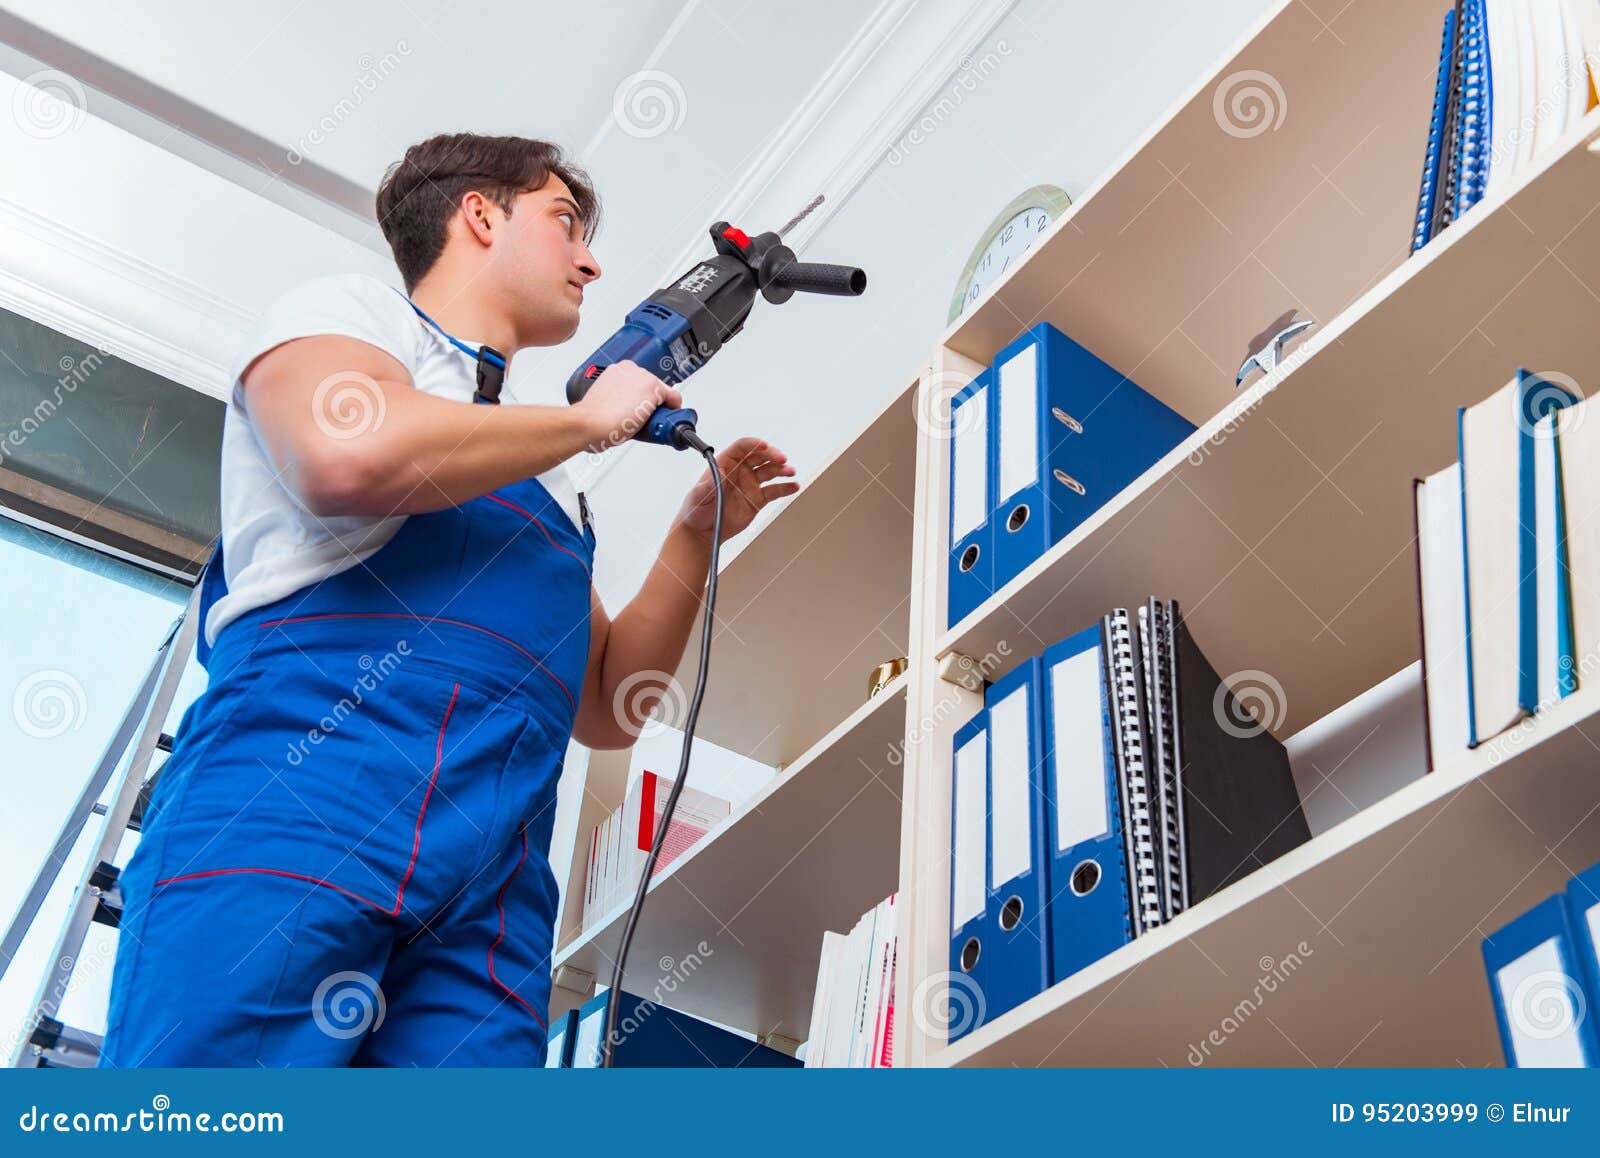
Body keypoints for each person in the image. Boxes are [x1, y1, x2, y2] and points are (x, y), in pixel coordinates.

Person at [98, 133, 797, 1067]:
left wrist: (692, 536)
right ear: (479, 213)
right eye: (566, 224)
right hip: (299, 810)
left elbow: (605, 705)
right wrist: (590, 422)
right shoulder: (345, 316)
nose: (590, 260)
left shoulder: (543, 481)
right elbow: (349, 455)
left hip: (490, 901)